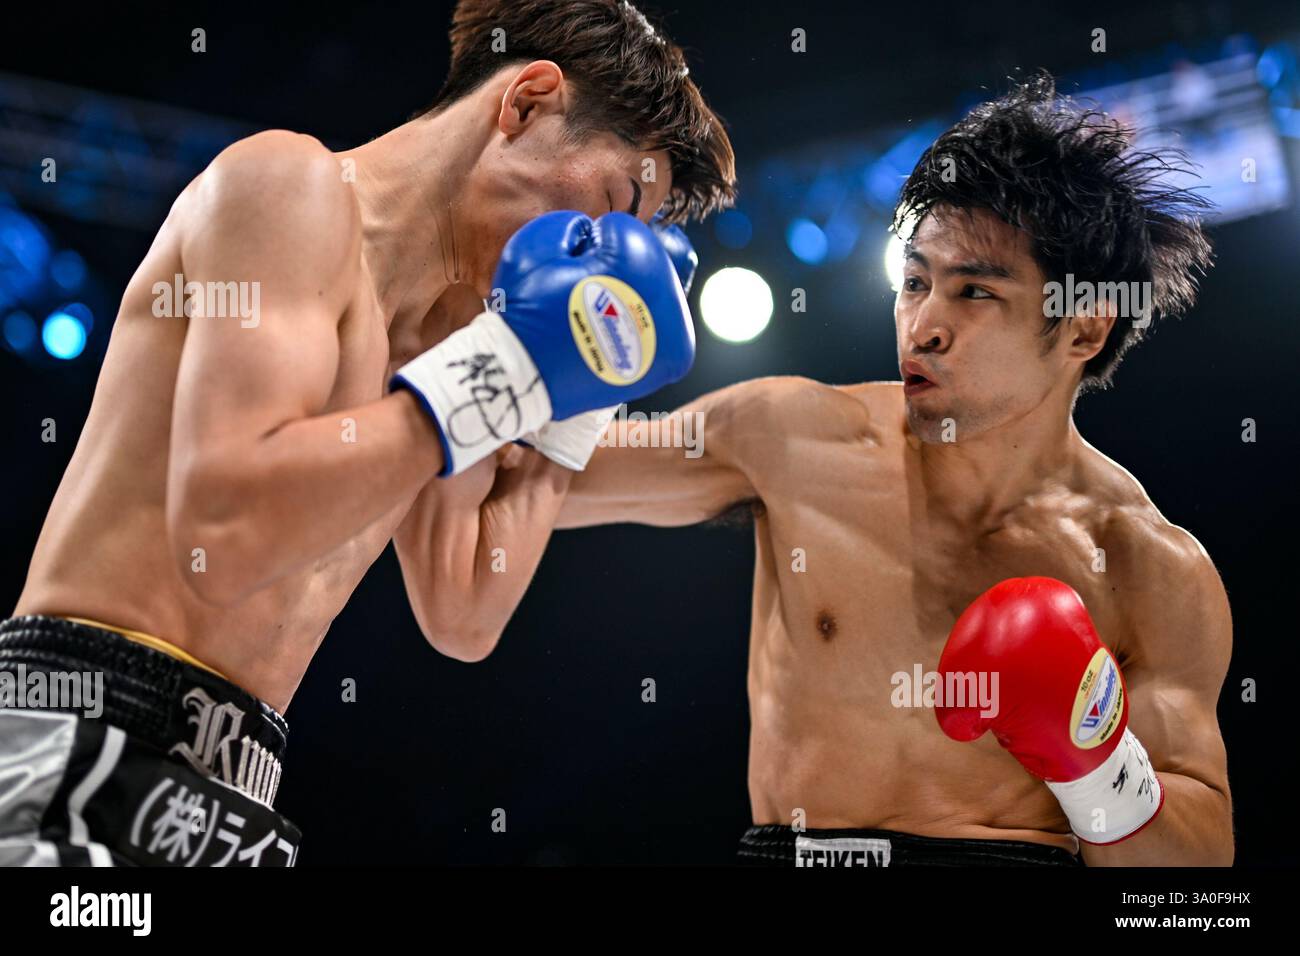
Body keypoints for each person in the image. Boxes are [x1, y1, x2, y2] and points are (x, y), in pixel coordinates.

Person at [0, 0, 735, 866]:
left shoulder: (459, 334)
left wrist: (576, 400)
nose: (593, 258)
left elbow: (465, 607)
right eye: (612, 209)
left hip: (241, 786)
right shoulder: (287, 188)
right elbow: (226, 531)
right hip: (80, 725)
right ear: (528, 101)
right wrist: (512, 370)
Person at [558, 74, 1233, 866]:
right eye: (913, 282)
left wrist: (1096, 764)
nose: (923, 325)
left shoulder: (1145, 566)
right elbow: (528, 484)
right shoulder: (794, 436)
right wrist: (558, 343)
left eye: (974, 291)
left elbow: (1196, 876)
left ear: (1083, 327)